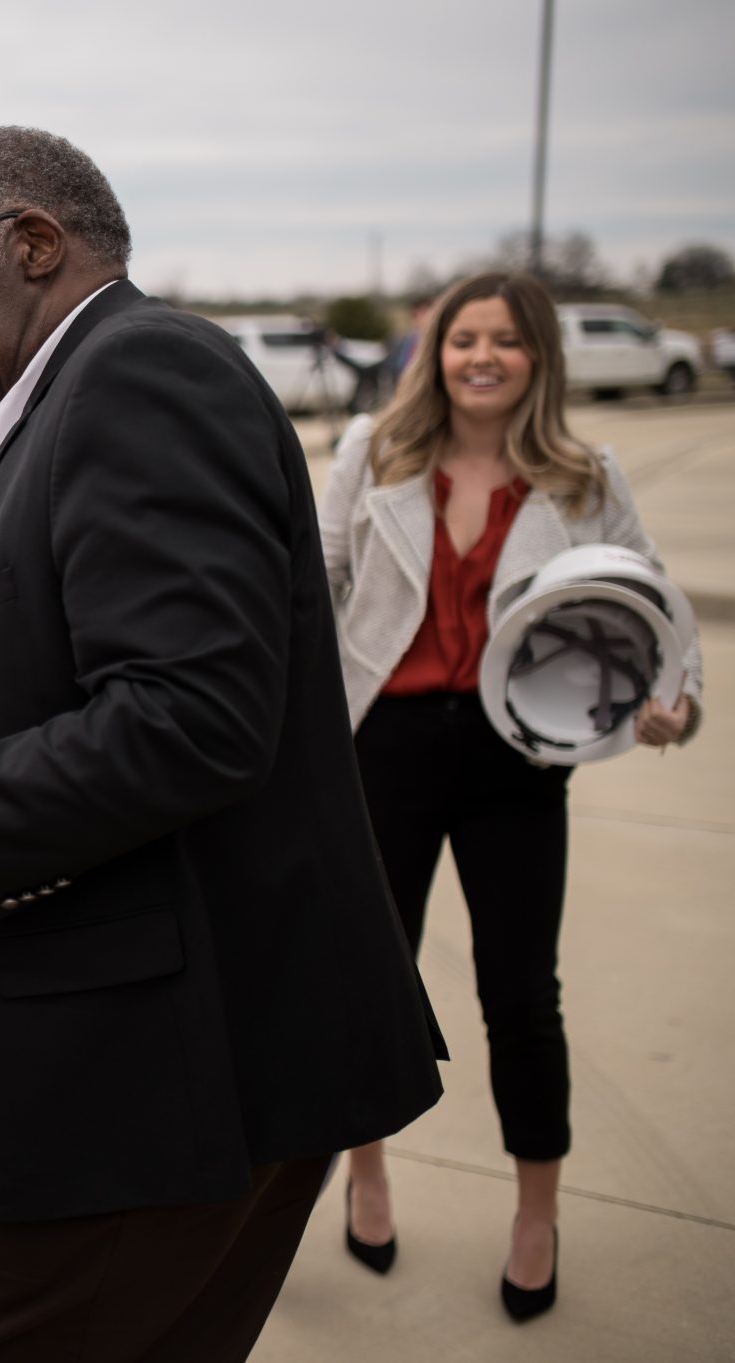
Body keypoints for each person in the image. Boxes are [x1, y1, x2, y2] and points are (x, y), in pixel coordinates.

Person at [0, 126, 446, 1363]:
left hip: (168, 1086)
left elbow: (187, 718)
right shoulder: (48, 411)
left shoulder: (139, 375)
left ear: (30, 243)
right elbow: (11, 705)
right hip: (115, 1084)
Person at [320, 270, 702, 1321]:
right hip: (384, 749)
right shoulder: (373, 450)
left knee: (522, 995)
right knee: (373, 982)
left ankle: (537, 1212)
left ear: (538, 355)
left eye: (504, 339)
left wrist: (673, 703)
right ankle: (366, 1169)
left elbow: (656, 605)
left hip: (516, 759)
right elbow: (315, 586)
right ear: (435, 353)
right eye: (462, 339)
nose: (480, 356)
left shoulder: (583, 474)